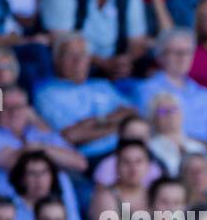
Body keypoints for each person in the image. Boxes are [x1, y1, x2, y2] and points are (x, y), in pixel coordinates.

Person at [34, 32, 136, 162]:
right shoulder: (47, 93)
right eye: (70, 55)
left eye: (83, 55)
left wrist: (93, 123)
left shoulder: (101, 85)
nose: (78, 61)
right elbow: (71, 136)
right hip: (91, 158)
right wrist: (115, 124)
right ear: (56, 60)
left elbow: (132, 111)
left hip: (126, 151)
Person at [135, 28, 207, 144]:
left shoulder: (206, 95)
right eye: (176, 52)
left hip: (204, 155)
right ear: (160, 57)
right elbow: (147, 130)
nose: (182, 57)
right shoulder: (146, 90)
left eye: (187, 52)